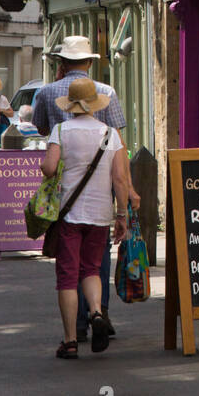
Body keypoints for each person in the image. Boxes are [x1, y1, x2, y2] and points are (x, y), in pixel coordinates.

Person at [32, 36, 137, 340]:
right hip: (101, 192)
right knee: (95, 261)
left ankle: (74, 329)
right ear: (90, 62)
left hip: (65, 196)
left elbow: (42, 131)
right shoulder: (107, 92)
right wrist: (126, 197)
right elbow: (119, 148)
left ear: (61, 63)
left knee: (69, 265)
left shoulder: (48, 93)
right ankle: (98, 311)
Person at [40, 78, 129, 359]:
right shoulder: (109, 134)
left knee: (67, 276)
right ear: (93, 104)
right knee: (91, 269)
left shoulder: (61, 130)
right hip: (100, 214)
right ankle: (97, 312)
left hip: (69, 213)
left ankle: (69, 341)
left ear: (72, 105)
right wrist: (122, 214)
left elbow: (49, 168)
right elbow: (119, 178)